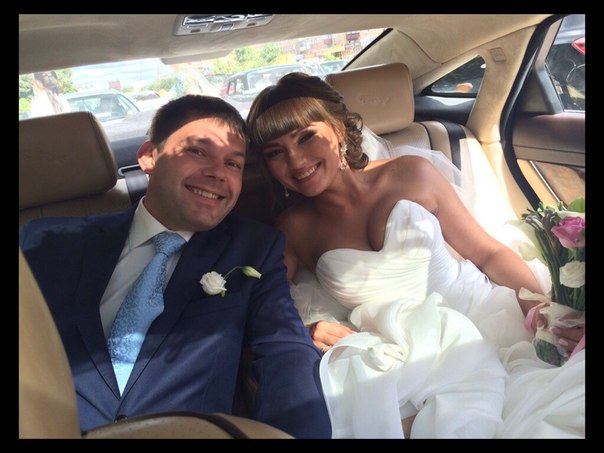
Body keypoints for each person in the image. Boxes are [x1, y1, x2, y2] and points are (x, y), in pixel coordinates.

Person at [246, 73, 585, 438]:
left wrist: (542, 307)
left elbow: (487, 253)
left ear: (338, 128)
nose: (295, 160)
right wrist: (306, 331)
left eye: (305, 136)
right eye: (275, 152)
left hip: (485, 322)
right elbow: (262, 315)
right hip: (405, 358)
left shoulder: (412, 173)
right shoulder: (293, 229)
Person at [19, 95, 331, 439]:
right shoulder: (46, 241)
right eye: (197, 151)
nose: (217, 173)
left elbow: (284, 349)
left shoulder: (253, 248)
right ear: (149, 157)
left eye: (233, 163)